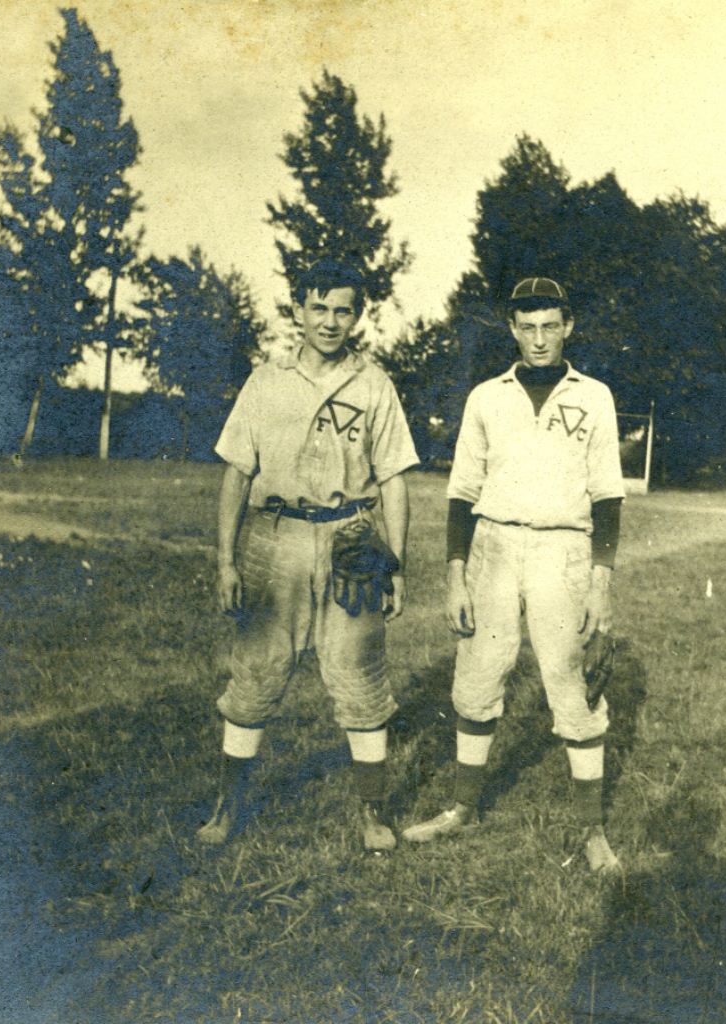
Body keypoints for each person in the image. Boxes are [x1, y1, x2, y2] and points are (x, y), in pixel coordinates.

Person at [401, 277, 625, 872]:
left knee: (572, 681)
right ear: (512, 330)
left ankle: (592, 830)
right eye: (528, 328)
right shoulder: (487, 397)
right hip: (494, 545)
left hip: (564, 547)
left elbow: (608, 496)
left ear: (568, 326)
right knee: (478, 675)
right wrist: (455, 577)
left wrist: (601, 584)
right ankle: (463, 807)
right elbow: (461, 493)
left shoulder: (594, 396)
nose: (539, 339)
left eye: (550, 326)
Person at [197, 257, 419, 853]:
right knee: (257, 669)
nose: (329, 321)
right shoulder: (266, 381)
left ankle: (372, 811)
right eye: (318, 307)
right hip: (277, 538)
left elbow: (394, 479)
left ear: (358, 316)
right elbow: (237, 474)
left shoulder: (374, 385)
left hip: (353, 541)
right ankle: (228, 805)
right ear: (299, 309)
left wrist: (395, 564)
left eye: (343, 310)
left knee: (358, 671)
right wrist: (226, 561)